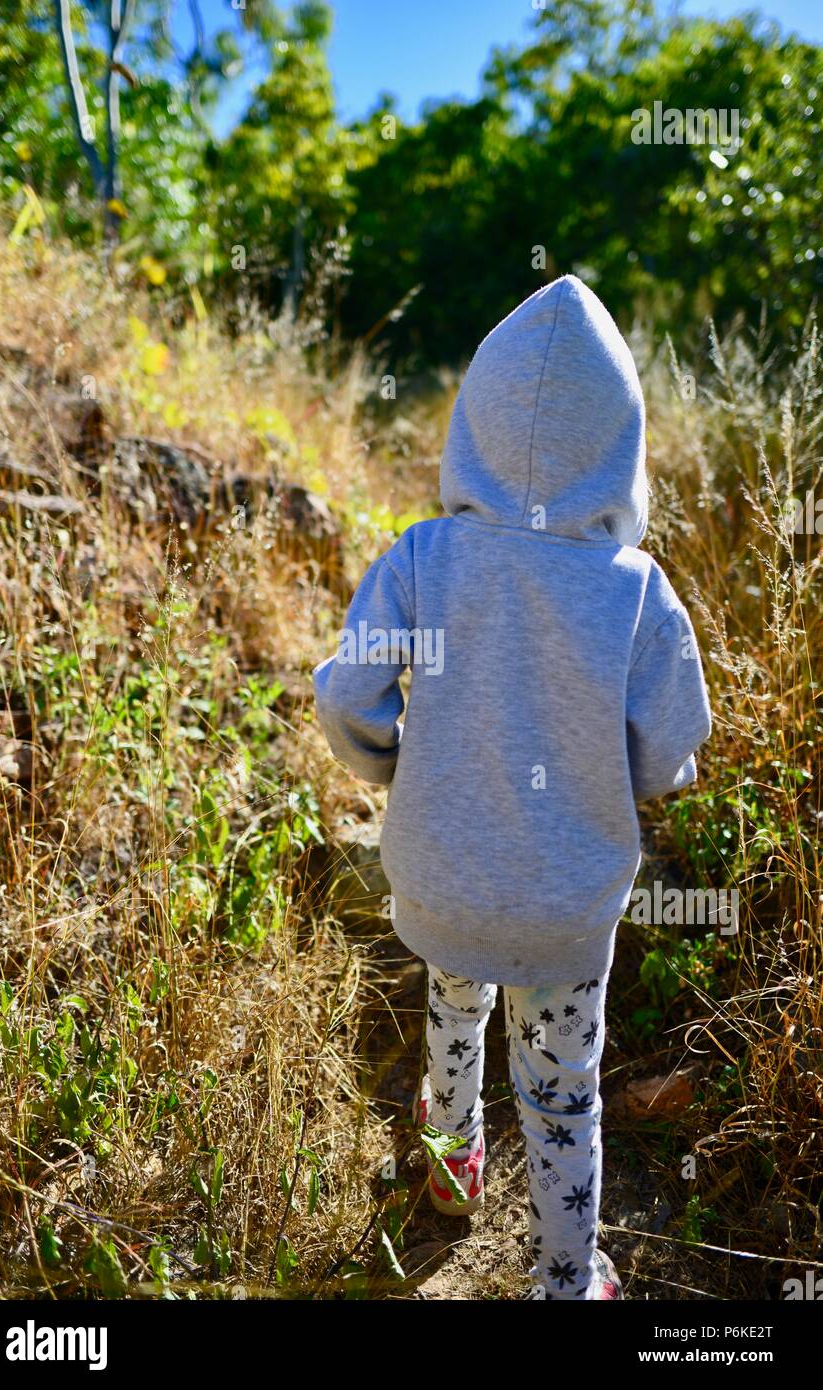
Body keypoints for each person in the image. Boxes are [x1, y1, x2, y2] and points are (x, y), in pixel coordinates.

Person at [312, 274, 711, 1300]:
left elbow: (350, 691)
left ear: (472, 427)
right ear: (619, 443)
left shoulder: (422, 557)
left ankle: (451, 1178)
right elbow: (672, 750)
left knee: (452, 1018)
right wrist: (602, 789)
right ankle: (567, 1280)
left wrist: (401, 770)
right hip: (566, 900)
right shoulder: (637, 590)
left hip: (442, 875)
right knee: (564, 1090)